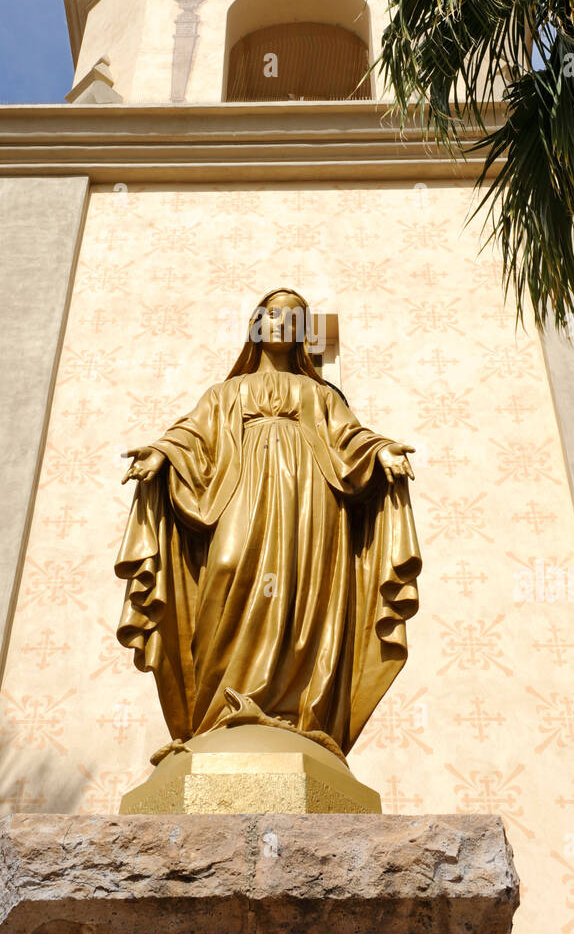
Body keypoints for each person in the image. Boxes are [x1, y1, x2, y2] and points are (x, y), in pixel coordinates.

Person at [115, 287, 421, 760]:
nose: (282, 323)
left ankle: (290, 714)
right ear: (258, 324)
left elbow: (349, 436)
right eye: (273, 315)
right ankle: (219, 712)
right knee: (229, 566)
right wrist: (161, 453)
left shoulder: (319, 394)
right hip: (241, 492)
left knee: (305, 591)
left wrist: (381, 450)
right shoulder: (225, 393)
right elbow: (193, 433)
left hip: (311, 500)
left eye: (294, 318)